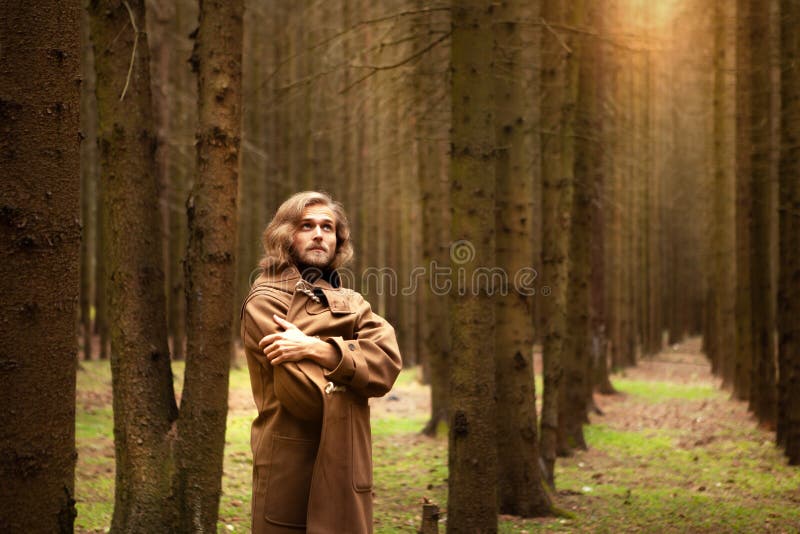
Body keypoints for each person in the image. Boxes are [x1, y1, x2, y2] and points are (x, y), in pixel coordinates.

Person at [240, 191, 402, 534]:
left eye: (327, 227)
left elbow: (386, 362)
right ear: (286, 235)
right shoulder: (265, 299)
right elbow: (305, 394)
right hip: (292, 463)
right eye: (307, 226)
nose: (318, 234)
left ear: (337, 239)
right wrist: (356, 358)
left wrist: (316, 347)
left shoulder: (351, 300)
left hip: (349, 459)